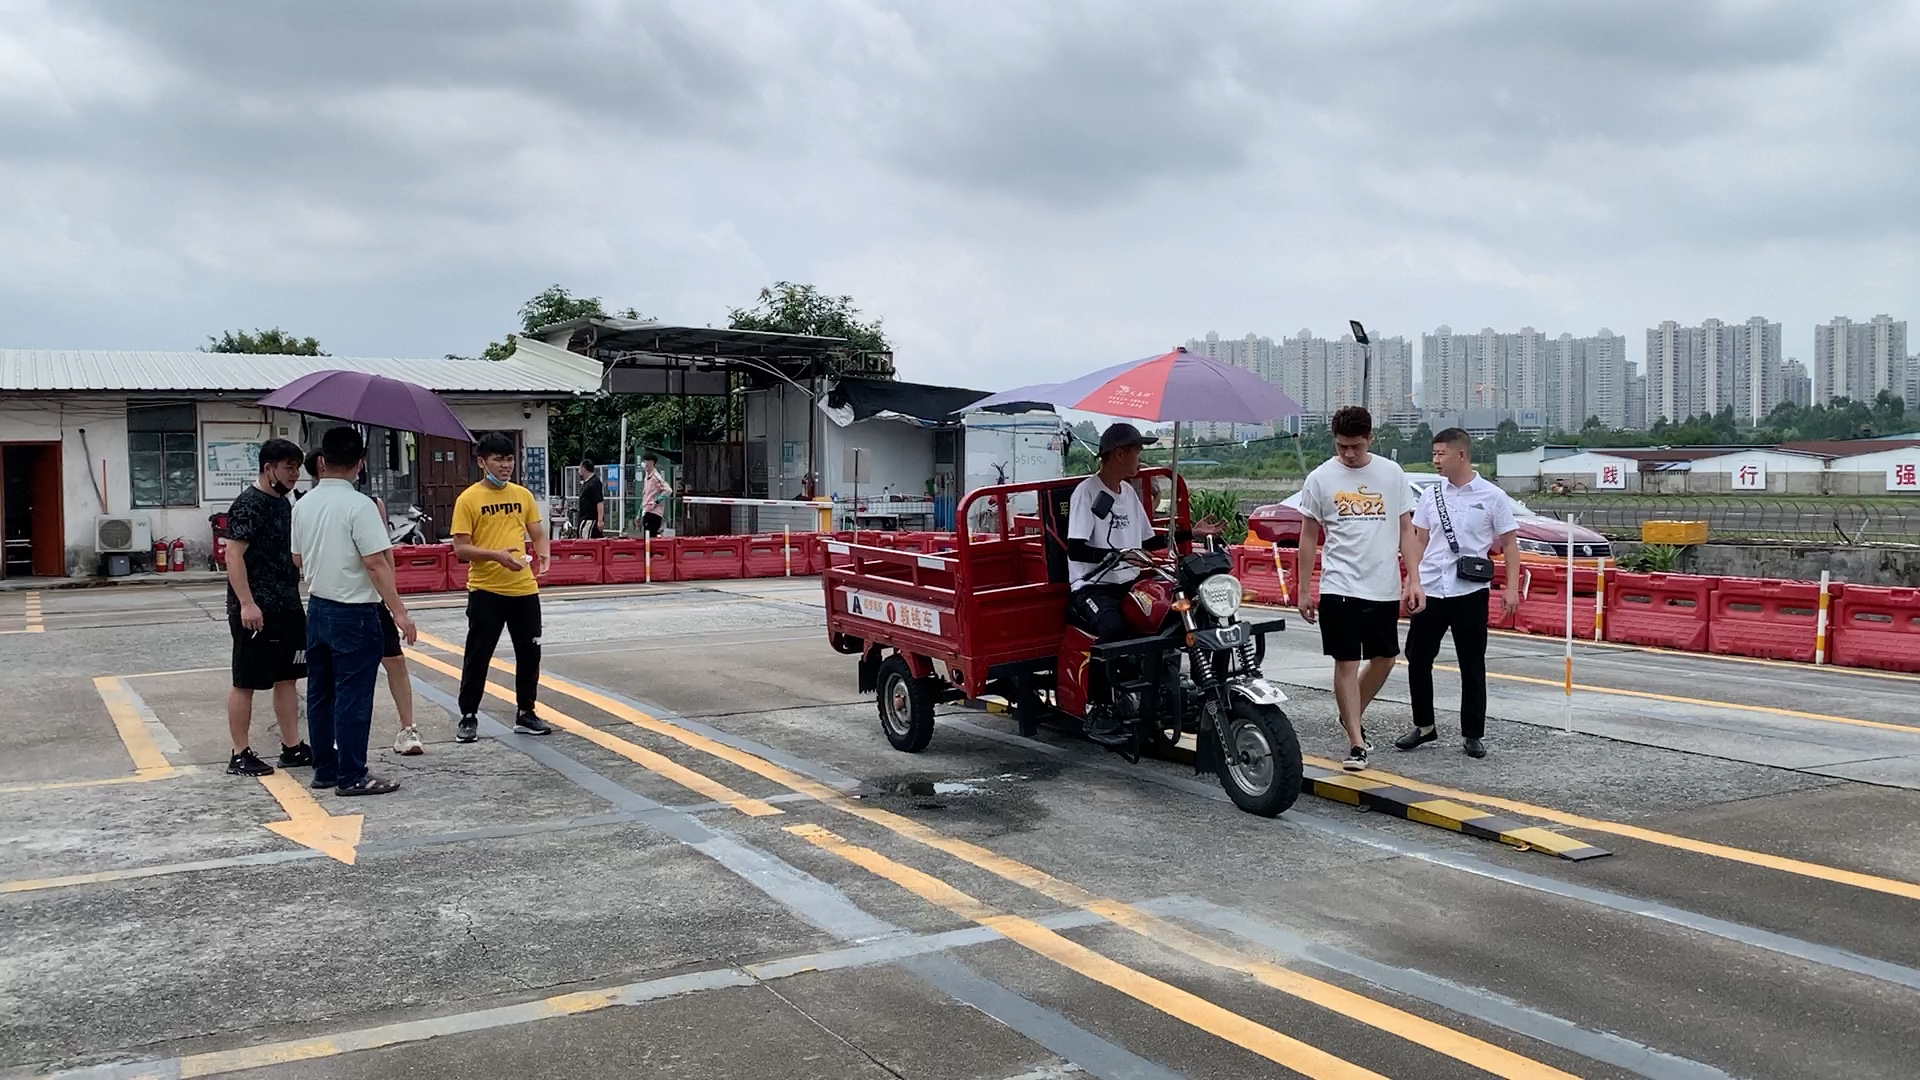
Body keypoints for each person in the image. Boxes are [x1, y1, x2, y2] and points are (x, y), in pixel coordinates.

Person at [1296, 406, 1426, 772]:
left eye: (1354, 446)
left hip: (1383, 583)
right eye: (1341, 447)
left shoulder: (1391, 474)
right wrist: (1304, 589)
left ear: (1369, 438)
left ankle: (1350, 712)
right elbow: (1308, 536)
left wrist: (1413, 579)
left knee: (1385, 658)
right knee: (1347, 661)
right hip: (1340, 584)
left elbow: (1406, 530)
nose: (1348, 454)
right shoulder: (1320, 478)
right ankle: (1356, 741)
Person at [291, 427, 416, 796]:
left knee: (320, 692)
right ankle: (352, 775)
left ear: (321, 462)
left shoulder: (303, 505)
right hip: (355, 612)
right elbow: (376, 563)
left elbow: (297, 557)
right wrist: (400, 613)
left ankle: (325, 770)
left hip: (317, 608)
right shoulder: (360, 506)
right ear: (360, 464)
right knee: (353, 695)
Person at [1397, 428, 1521, 760]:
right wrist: (1411, 581)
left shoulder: (1492, 496)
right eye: (1434, 454)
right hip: (1431, 588)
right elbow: (1419, 541)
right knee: (1418, 657)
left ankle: (1473, 734)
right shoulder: (1429, 496)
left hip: (1470, 591)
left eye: (1441, 454)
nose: (1435, 460)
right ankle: (1424, 726)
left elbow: (1509, 545)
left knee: (1472, 663)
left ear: (1461, 455)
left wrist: (1511, 589)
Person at [451, 432, 552, 742]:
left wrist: (543, 553)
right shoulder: (469, 499)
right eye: (498, 459)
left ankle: (526, 712)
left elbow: (536, 531)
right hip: (486, 589)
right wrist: (495, 556)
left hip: (523, 589)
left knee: (529, 653)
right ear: (482, 462)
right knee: (478, 654)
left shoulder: (522, 495)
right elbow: (460, 549)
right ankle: (468, 715)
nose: (505, 465)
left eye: (509, 459)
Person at [222, 438, 313, 776]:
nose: (295, 474)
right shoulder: (248, 504)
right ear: (268, 467)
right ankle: (240, 752)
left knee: (288, 677)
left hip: (287, 604)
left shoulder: (285, 504)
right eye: (289, 467)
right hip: (256, 609)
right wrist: (247, 603)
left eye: (297, 467)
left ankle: (293, 746)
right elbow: (233, 555)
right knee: (245, 680)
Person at [369, 493, 424, 756]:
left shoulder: (371, 502)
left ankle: (407, 728)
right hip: (341, 602)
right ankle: (337, 735)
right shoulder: (313, 504)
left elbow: (383, 554)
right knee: (345, 672)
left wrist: (395, 604)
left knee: (395, 660)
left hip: (374, 600)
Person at [640, 453, 669, 537]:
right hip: (647, 510)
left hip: (654, 512)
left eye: (646, 461)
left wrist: (656, 501)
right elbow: (645, 496)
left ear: (651, 462)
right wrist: (639, 513)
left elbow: (668, 490)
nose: (644, 464)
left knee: (650, 537)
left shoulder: (656, 477)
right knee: (647, 537)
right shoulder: (646, 477)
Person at [575, 461, 605, 539]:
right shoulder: (586, 483)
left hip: (591, 520)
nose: (578, 471)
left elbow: (599, 501)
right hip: (584, 518)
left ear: (584, 469)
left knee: (588, 543)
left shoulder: (595, 483)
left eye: (579, 468)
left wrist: (600, 520)